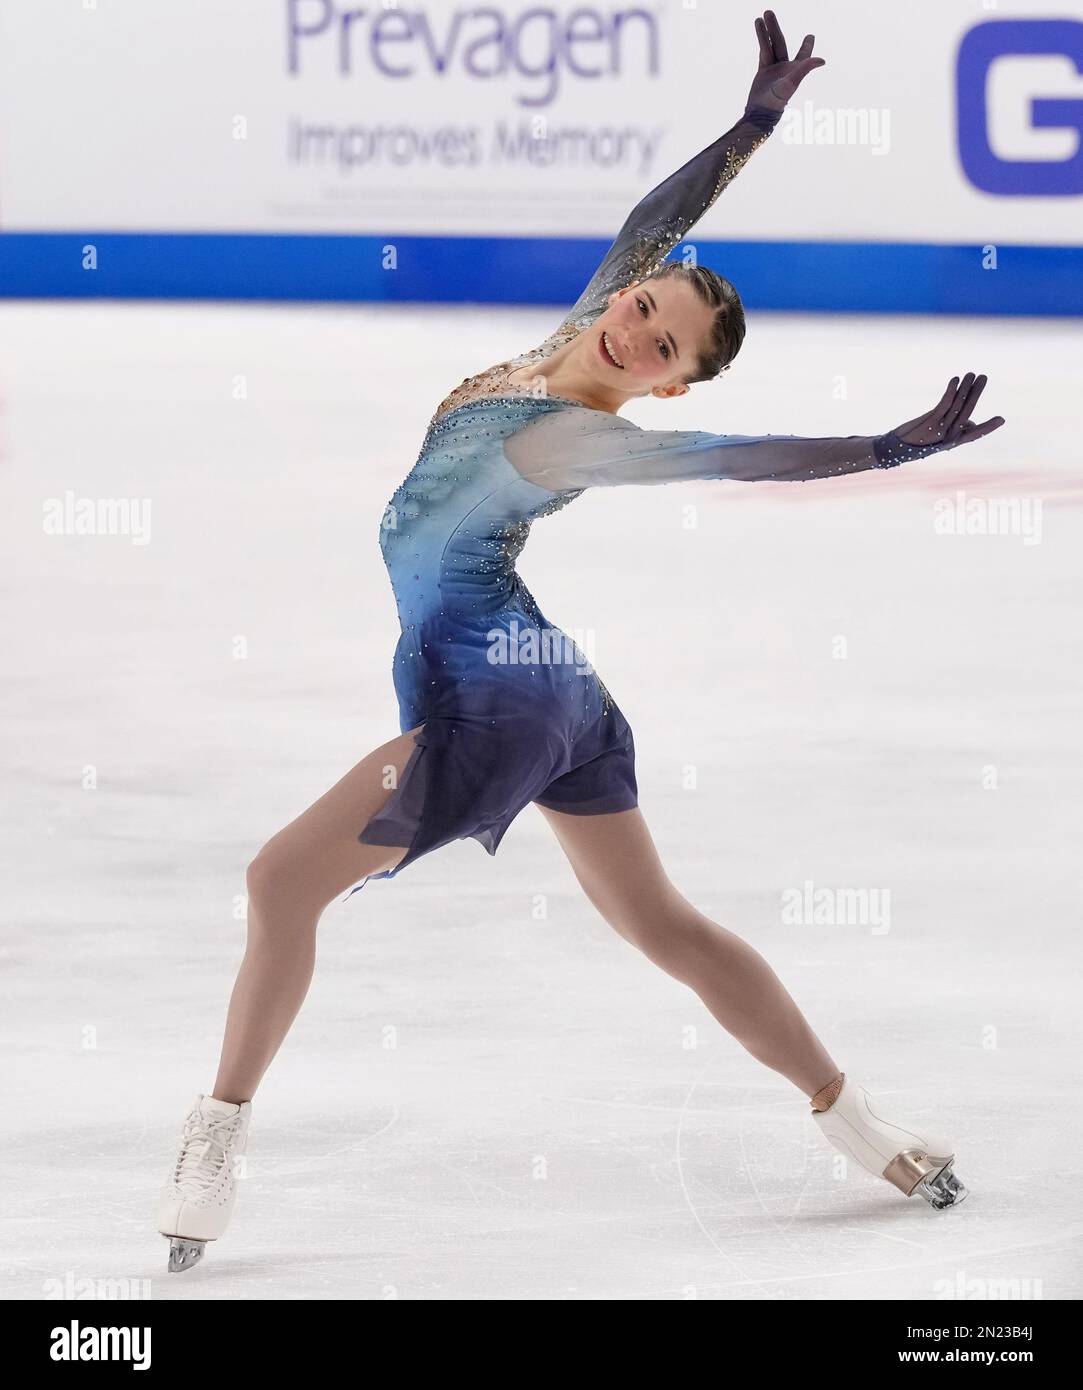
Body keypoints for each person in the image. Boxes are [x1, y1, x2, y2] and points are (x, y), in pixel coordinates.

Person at [159, 11, 997, 1271]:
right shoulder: (587, 324)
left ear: (667, 383)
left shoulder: (587, 434)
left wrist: (881, 447)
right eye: (645, 305)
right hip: (559, 686)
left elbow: (744, 458)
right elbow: (653, 220)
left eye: (663, 347)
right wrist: (755, 126)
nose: (637, 329)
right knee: (664, 924)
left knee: (281, 881)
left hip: (500, 695)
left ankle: (213, 1144)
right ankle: (861, 1124)